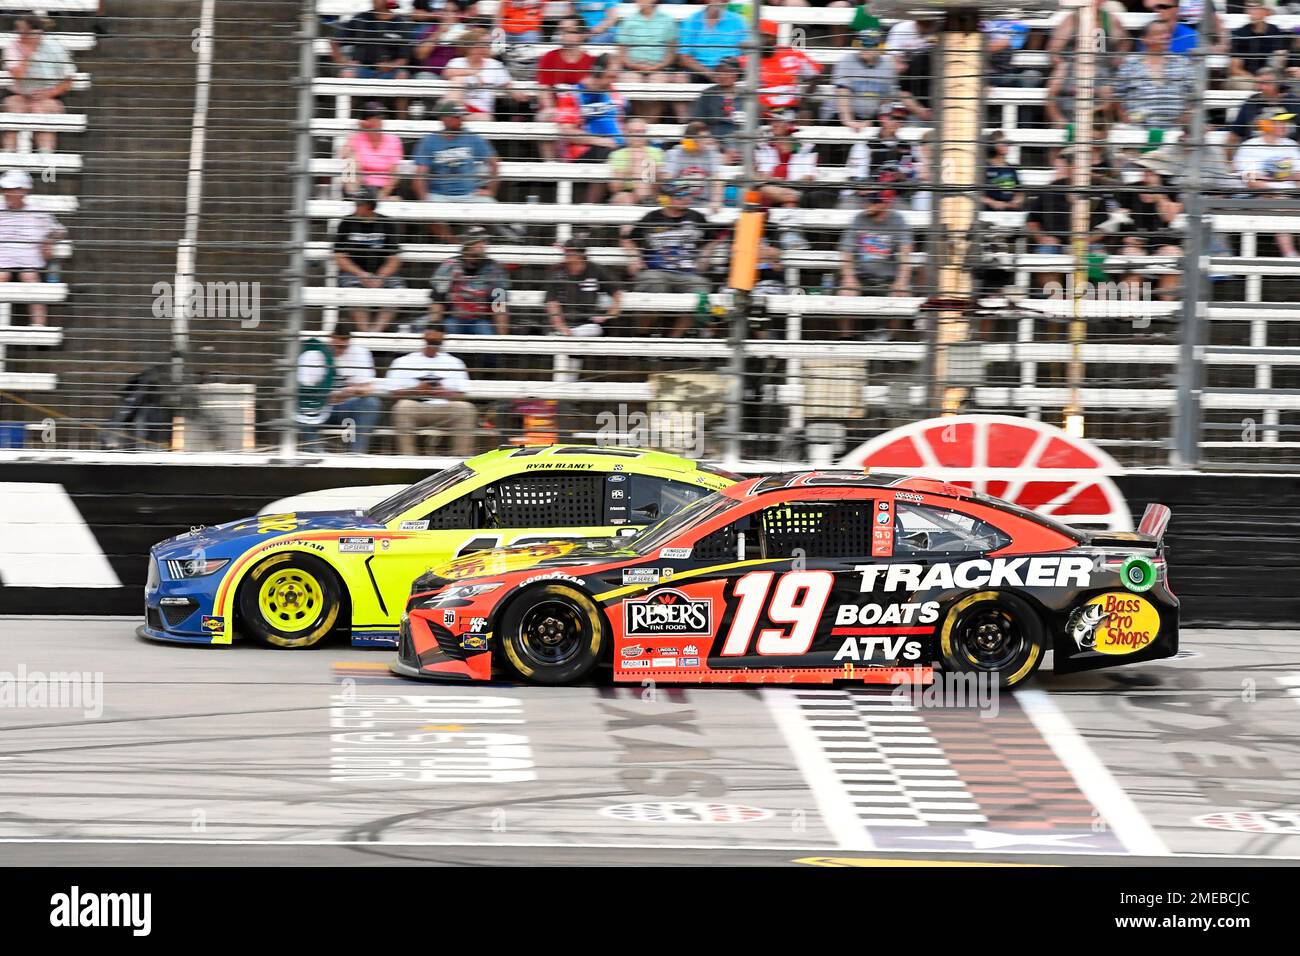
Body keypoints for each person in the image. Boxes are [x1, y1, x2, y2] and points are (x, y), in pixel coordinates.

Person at [621, 182, 718, 335]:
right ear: (666, 199)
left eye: (688, 195)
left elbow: (713, 238)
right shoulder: (652, 218)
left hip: (687, 274)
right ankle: (642, 334)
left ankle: (674, 340)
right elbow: (627, 238)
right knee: (653, 285)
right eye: (681, 195)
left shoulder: (696, 217)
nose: (686, 199)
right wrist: (634, 258)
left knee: (701, 289)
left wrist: (704, 257)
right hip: (656, 271)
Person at [413, 100, 498, 240]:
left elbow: (494, 163)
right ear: (445, 119)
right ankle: (453, 244)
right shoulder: (429, 141)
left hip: (469, 193)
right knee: (428, 216)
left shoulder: (472, 137)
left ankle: (475, 243)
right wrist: (424, 200)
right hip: (439, 194)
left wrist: (491, 190)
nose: (462, 120)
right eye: (457, 117)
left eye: (462, 117)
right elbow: (420, 175)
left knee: (495, 211)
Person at [386, 327, 478, 456]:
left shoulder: (455, 362)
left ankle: (460, 459)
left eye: (437, 342)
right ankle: (407, 458)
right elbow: (393, 393)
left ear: (443, 340)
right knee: (402, 407)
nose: (433, 345)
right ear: (424, 338)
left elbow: (462, 395)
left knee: (466, 408)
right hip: (416, 407)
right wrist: (417, 390)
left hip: (445, 407)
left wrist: (444, 392)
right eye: (430, 341)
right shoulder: (403, 361)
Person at [838, 181, 914, 338]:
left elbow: (906, 253)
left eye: (872, 201)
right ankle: (846, 338)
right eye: (867, 200)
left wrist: (901, 281)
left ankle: (894, 340)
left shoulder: (898, 221)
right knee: (845, 293)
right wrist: (849, 278)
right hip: (861, 276)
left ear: (884, 204)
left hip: (888, 277)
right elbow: (846, 251)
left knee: (901, 294)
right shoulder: (858, 219)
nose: (867, 204)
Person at [297, 325, 384, 454]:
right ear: (329, 339)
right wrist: (337, 394)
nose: (339, 350)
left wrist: (350, 391)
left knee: (371, 403)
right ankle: (316, 452)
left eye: (344, 347)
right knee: (300, 406)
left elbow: (369, 389)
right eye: (335, 346)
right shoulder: (313, 355)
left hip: (346, 405)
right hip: (320, 407)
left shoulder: (360, 353)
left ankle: (356, 454)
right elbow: (304, 392)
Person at [333, 187, 404, 333]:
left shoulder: (387, 223)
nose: (356, 206)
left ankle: (375, 332)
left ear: (370, 206)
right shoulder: (346, 222)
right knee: (354, 294)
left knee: (399, 292)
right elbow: (339, 257)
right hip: (353, 272)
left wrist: (380, 276)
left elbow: (394, 259)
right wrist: (361, 274)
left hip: (382, 272)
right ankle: (366, 333)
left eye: (360, 204)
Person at [2, 17, 75, 153]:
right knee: (13, 109)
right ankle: (8, 162)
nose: (21, 36)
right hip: (19, 94)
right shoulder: (13, 47)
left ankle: (46, 162)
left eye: (25, 32)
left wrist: (49, 93)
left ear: (37, 32)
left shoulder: (55, 47)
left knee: (43, 112)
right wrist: (28, 56)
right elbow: (17, 75)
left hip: (49, 95)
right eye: (19, 32)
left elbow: (68, 80)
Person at [0, 169, 63, 326]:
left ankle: (38, 326)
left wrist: (49, 240)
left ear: (23, 191)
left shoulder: (37, 210)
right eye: (5, 189)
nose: (7, 193)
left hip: (29, 259)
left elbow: (59, 230)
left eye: (12, 189)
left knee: (30, 277)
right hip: (3, 258)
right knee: (2, 276)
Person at [1234, 111, 1300, 256]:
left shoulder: (1291, 145)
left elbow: (1298, 175)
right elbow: (1250, 180)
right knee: (1282, 207)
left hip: (1292, 196)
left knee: (1286, 205)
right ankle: (1291, 256)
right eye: (1278, 122)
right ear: (1265, 124)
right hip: (1262, 197)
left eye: (1285, 122)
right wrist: (1275, 192)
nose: (1284, 126)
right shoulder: (1250, 146)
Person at [1115, 22, 1194, 134]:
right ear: (1144, 39)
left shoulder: (1182, 63)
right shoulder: (1130, 63)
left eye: (1167, 33)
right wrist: (1128, 122)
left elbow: (1193, 96)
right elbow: (1117, 97)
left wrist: (1184, 118)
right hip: (1137, 130)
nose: (1166, 36)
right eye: (1159, 33)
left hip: (1175, 131)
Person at [430, 226, 511, 334]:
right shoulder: (449, 266)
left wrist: (502, 339)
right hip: (454, 319)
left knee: (485, 332)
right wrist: (435, 329)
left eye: (484, 241)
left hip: (481, 321)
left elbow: (499, 305)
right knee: (448, 327)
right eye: (479, 241)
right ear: (468, 244)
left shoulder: (494, 269)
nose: (483, 245)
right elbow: (438, 300)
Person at [616, 0, 681, 122]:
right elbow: (622, 52)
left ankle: (651, 125)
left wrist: (658, 66)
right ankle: (641, 125)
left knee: (657, 85)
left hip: (660, 67)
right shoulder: (629, 21)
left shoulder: (667, 20)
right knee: (632, 84)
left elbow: (672, 52)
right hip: (632, 67)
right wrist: (633, 65)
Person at [826, 26, 898, 129]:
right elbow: (843, 95)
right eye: (862, 43)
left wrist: (874, 120)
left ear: (879, 47)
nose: (864, 47)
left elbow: (887, 100)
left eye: (869, 44)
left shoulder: (888, 65)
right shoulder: (847, 61)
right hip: (842, 116)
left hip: (872, 118)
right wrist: (849, 121)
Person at [545, 240, 621, 335]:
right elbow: (551, 302)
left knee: (594, 328)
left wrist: (612, 312)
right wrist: (561, 326)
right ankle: (566, 334)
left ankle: (570, 335)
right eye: (565, 251)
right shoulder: (557, 270)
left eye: (570, 251)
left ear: (580, 254)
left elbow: (616, 290)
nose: (566, 253)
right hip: (563, 322)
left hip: (587, 324)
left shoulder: (595, 269)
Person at [443, 28, 517, 118]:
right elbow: (447, 73)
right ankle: (454, 112)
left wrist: (515, 92)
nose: (485, 48)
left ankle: (452, 115)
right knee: (458, 79)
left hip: (480, 112)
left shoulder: (494, 65)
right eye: (481, 44)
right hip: (460, 106)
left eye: (487, 44)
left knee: (483, 117)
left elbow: (507, 83)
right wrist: (471, 72)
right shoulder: (457, 62)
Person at [331, 0, 415, 79]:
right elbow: (334, 40)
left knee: (402, 75)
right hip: (361, 68)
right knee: (347, 74)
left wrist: (391, 65)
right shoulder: (361, 18)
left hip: (391, 71)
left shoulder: (400, 24)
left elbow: (404, 58)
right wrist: (343, 62)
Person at [342, 101, 404, 199]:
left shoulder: (393, 140)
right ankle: (353, 196)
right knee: (350, 160)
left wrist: (381, 195)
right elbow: (343, 155)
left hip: (384, 190)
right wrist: (358, 129)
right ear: (366, 121)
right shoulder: (358, 137)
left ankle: (362, 200)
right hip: (362, 188)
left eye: (381, 117)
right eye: (375, 117)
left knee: (394, 198)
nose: (379, 121)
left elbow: (394, 175)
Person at [677, 0, 747, 83]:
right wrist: (709, 73)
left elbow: (746, 52)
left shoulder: (738, 20)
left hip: (730, 70)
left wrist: (728, 68)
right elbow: (684, 56)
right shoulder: (692, 20)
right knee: (681, 77)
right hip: (700, 71)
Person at [1230, 68, 1300, 146]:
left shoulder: (1295, 102)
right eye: (1258, 83)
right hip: (1255, 153)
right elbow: (1234, 135)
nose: (1260, 87)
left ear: (1279, 84)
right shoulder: (1251, 102)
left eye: (1266, 83)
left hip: (1286, 154)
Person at [664, 121, 723, 212]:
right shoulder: (676, 153)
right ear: (690, 141)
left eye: (707, 137)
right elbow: (668, 179)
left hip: (705, 202)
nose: (707, 141)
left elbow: (718, 179)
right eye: (703, 138)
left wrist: (716, 201)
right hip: (680, 202)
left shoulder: (711, 152)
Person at [690, 56, 742, 160]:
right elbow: (697, 122)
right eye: (719, 72)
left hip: (741, 142)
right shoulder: (707, 94)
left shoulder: (746, 96)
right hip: (714, 143)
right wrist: (709, 138)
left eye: (727, 72)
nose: (722, 75)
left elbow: (755, 124)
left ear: (736, 75)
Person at [1229, 0, 1288, 90]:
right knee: (1242, 83)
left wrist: (1267, 78)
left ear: (1265, 12)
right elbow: (1234, 69)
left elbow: (1279, 61)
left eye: (1255, 7)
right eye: (1248, 7)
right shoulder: (1240, 33)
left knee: (1278, 84)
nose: (1251, 11)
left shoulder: (1275, 31)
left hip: (1270, 77)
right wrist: (1255, 79)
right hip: (1248, 78)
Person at [608, 117, 665, 205]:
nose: (636, 136)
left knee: (643, 161)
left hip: (653, 190)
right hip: (627, 192)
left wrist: (642, 161)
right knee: (624, 198)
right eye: (632, 132)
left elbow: (661, 180)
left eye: (640, 132)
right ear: (626, 134)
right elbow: (614, 188)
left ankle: (645, 199)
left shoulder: (656, 152)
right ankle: (644, 200)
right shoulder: (617, 154)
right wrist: (632, 165)